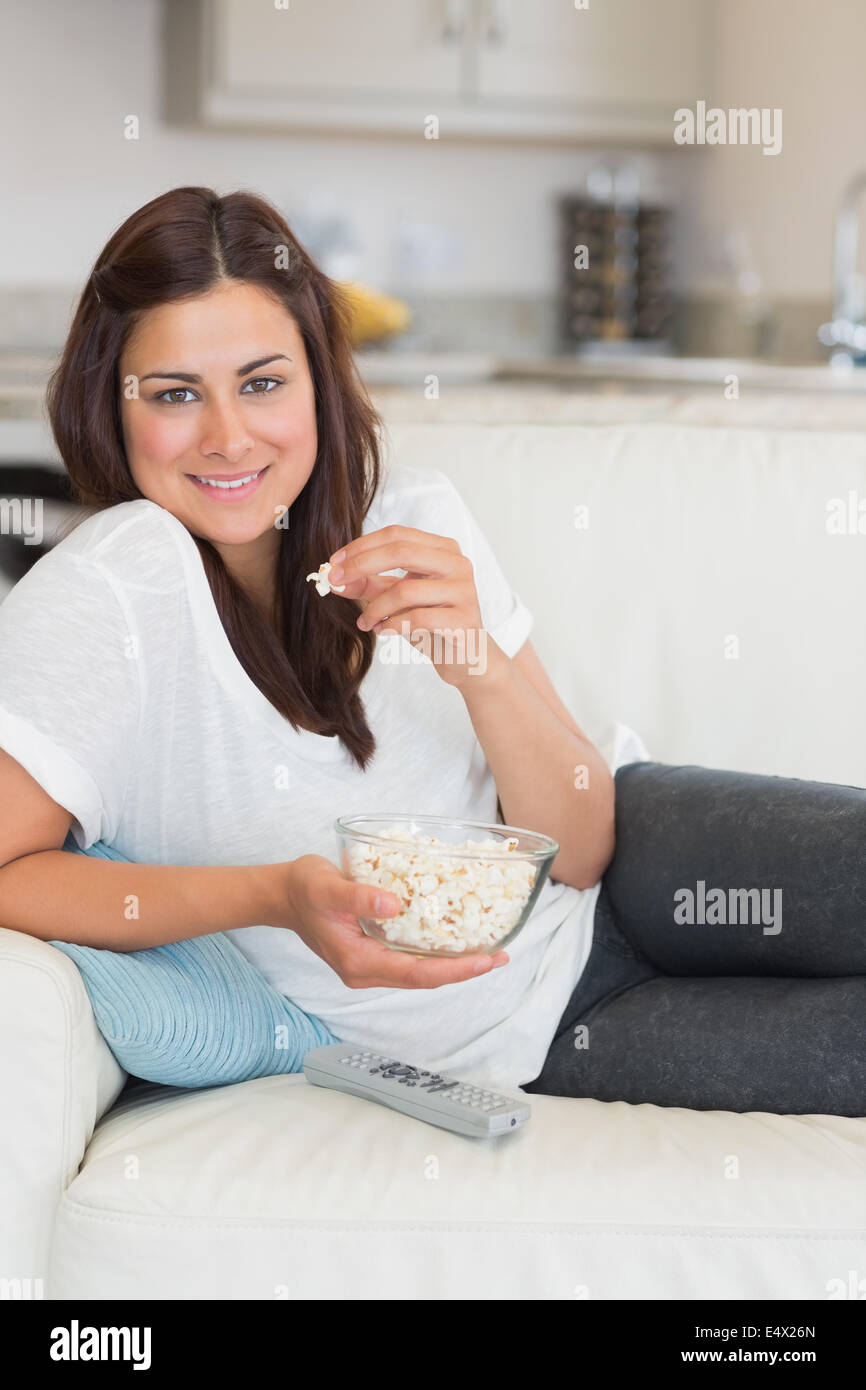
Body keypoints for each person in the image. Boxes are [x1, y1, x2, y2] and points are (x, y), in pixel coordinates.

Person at [0, 186, 863, 1114]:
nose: (228, 436)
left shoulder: (412, 518)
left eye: (263, 382)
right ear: (113, 407)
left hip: (641, 861)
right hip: (530, 1030)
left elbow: (581, 848)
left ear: (319, 383)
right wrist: (272, 896)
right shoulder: (111, 590)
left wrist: (479, 664)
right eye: (175, 395)